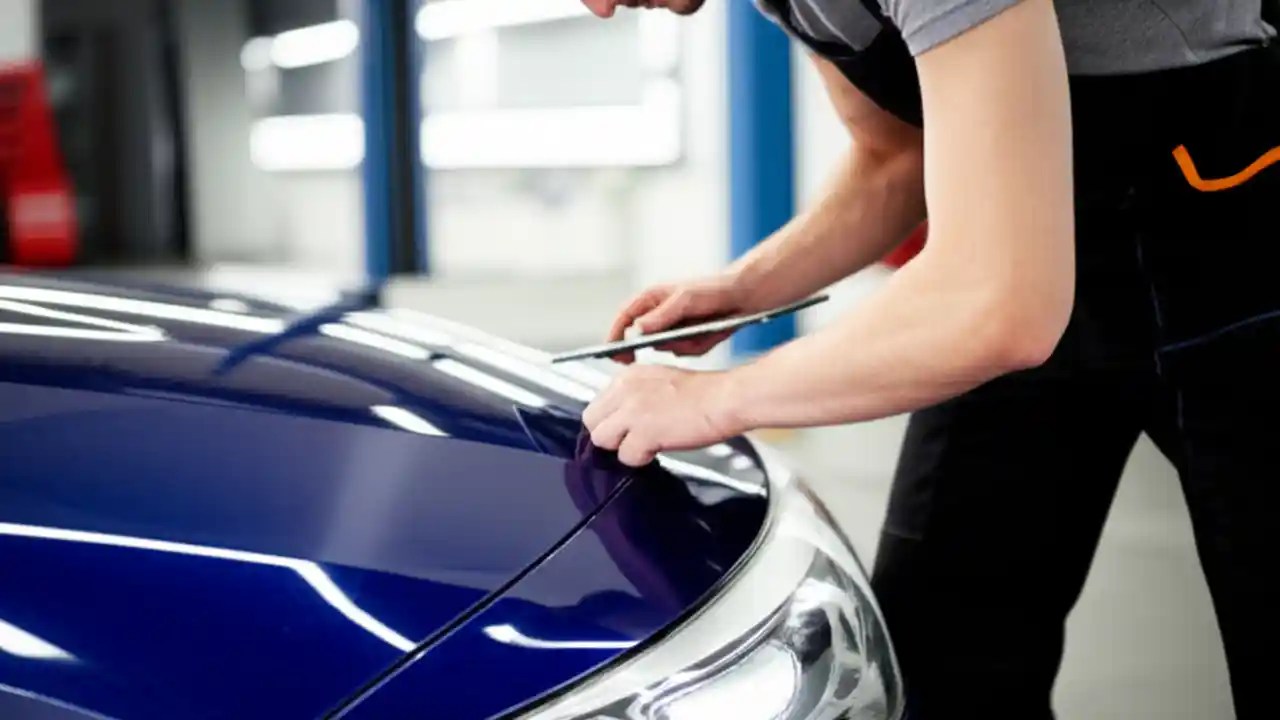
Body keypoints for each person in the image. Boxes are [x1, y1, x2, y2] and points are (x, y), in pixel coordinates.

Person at [579, 0, 1280, 717]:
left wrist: (714, 399)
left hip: (1241, 242)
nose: (597, 8)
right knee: (942, 659)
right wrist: (744, 289)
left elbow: (999, 304)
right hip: (1030, 239)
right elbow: (897, 158)